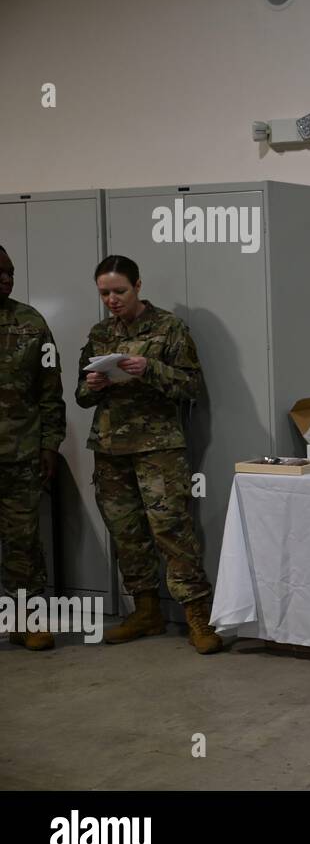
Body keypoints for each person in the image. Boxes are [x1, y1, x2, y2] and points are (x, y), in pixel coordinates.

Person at [76, 255, 222, 654]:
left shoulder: (169, 328)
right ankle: (145, 611)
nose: (112, 300)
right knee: (127, 534)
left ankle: (198, 617)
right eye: (104, 293)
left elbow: (192, 386)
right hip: (110, 449)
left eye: (119, 291)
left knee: (171, 531)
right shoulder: (100, 333)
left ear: (138, 286)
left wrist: (151, 369)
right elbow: (80, 395)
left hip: (159, 449)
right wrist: (94, 383)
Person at [0, 244, 66, 650]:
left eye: (10, 272)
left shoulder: (30, 323)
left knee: (23, 543)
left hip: (19, 454)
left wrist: (50, 444)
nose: (7, 279)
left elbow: (50, 391)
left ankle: (28, 621)